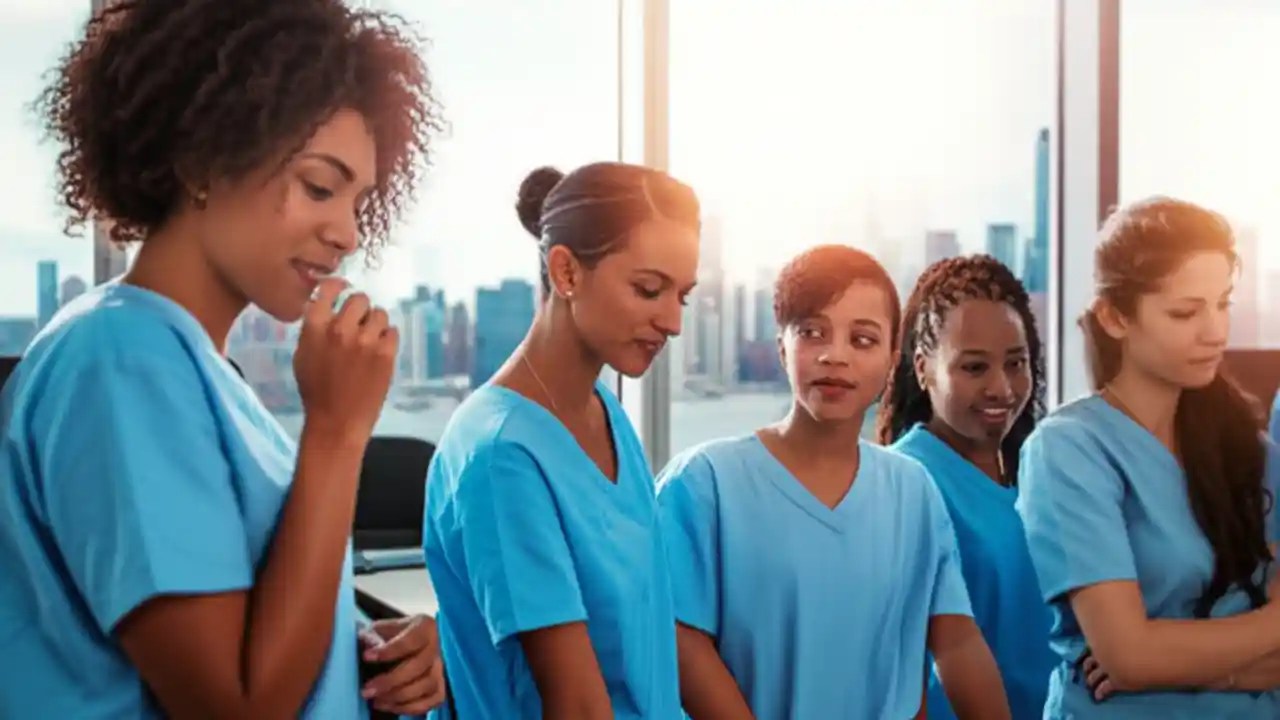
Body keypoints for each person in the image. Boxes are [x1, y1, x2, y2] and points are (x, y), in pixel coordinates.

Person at [0, 1, 447, 717]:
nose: (346, 232)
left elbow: (259, 621)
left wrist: (365, 646)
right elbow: (237, 708)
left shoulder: (206, 377)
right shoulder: (118, 364)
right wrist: (336, 433)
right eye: (319, 186)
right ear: (204, 159)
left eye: (358, 200)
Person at [656, 244, 1011, 720]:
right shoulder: (705, 484)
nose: (834, 356)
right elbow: (679, 643)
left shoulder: (912, 490)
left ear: (892, 361)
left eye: (862, 340)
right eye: (812, 333)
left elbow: (957, 643)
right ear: (782, 348)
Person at [423, 163, 700, 719]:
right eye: (649, 289)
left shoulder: (606, 412)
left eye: (682, 297)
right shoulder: (502, 456)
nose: (672, 321)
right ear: (566, 272)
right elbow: (576, 705)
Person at [1017, 196, 1280, 718]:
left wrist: (1182, 662)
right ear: (1115, 317)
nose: (1216, 331)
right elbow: (1128, 656)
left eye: (1222, 303)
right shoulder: (1070, 450)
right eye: (1185, 311)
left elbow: (1138, 661)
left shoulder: (1251, 449)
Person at [878, 254, 1056, 719]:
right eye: (974, 368)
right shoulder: (903, 482)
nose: (1002, 387)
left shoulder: (1037, 475)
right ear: (923, 368)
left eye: (1016, 363)